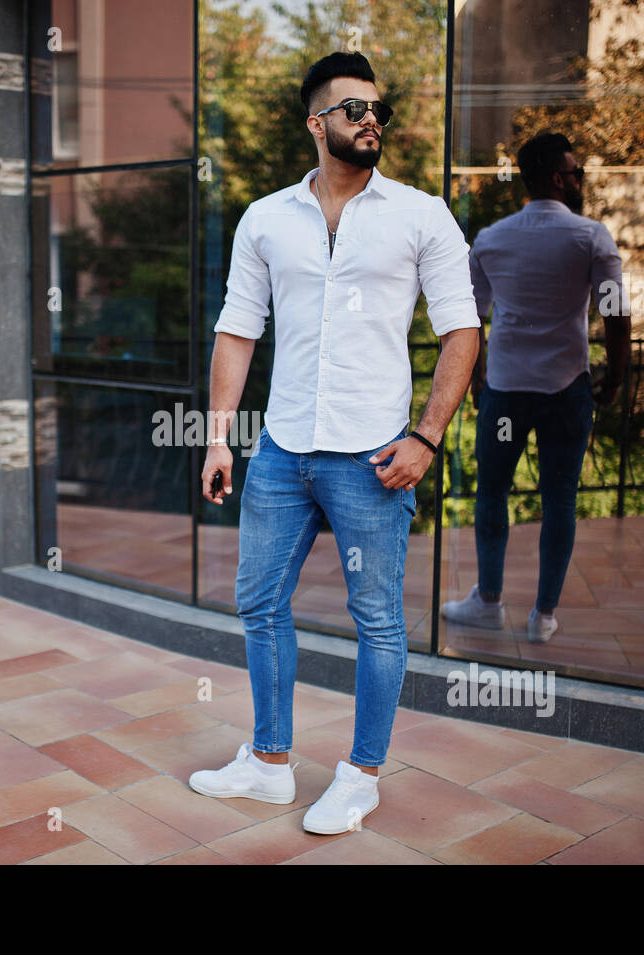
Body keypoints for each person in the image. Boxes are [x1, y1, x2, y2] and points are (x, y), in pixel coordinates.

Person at [188, 52, 480, 834]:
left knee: (378, 619)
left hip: (374, 454)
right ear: (317, 124)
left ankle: (360, 775)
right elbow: (237, 329)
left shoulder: (420, 215)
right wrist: (219, 439)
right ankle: (270, 763)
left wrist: (426, 435)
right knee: (258, 602)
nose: (371, 121)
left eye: (377, 109)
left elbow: (463, 330)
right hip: (282, 448)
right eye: (353, 110)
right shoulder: (266, 218)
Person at [441, 131, 631, 643]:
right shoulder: (592, 236)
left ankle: (488, 600)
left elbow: (469, 318)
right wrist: (617, 374)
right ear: (555, 177)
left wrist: (476, 378)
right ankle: (543, 616)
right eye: (575, 172)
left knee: (492, 495)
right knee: (560, 500)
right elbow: (615, 312)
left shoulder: (491, 237)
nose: (579, 179)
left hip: (505, 391)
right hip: (568, 390)